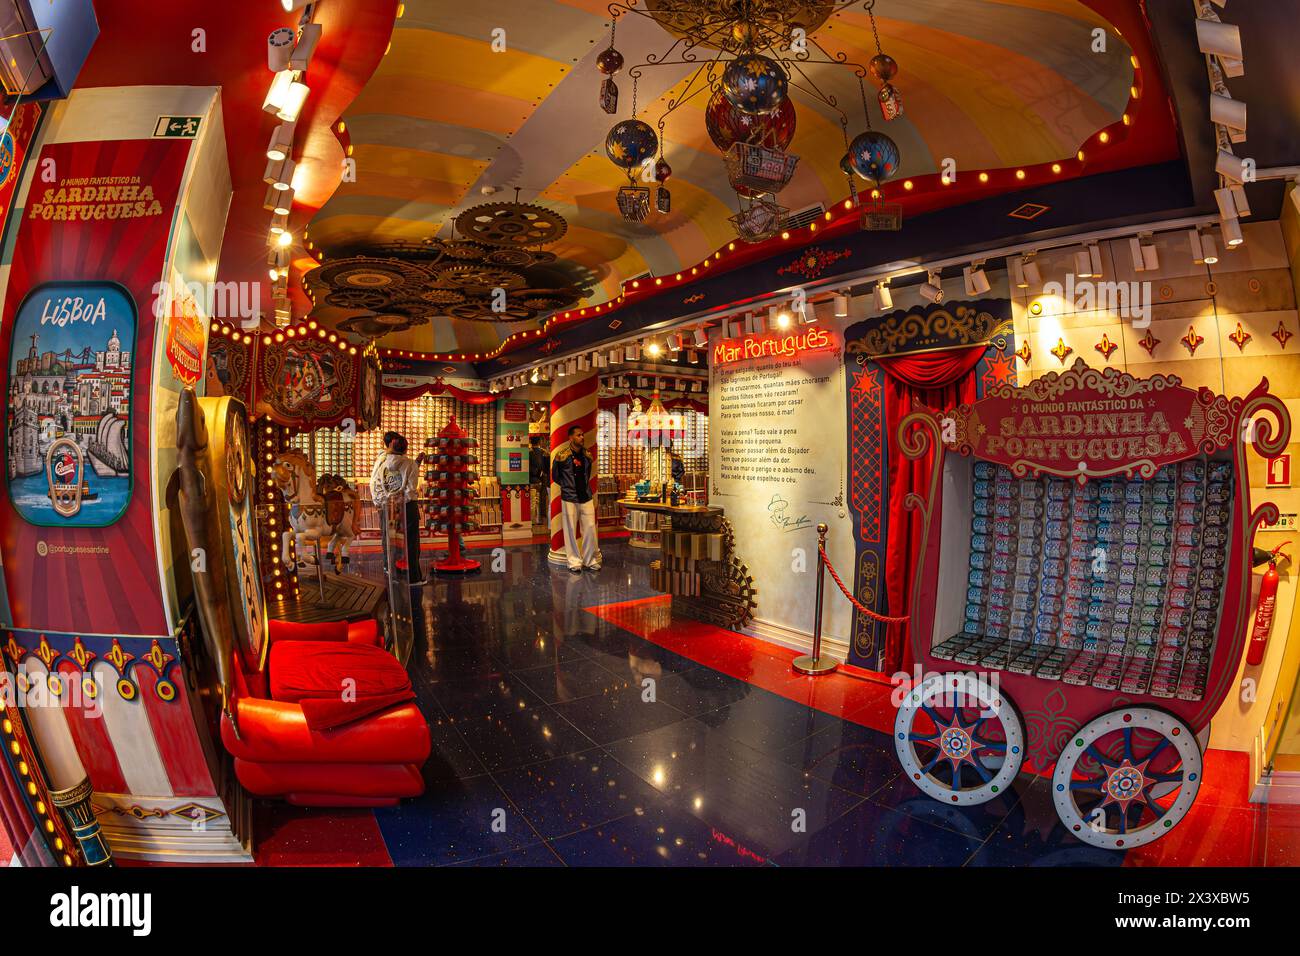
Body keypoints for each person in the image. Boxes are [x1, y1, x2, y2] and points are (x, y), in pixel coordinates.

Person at [370, 433, 423, 584]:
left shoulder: (382, 464)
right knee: (411, 542)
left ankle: (391, 573)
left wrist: (383, 503)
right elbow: (410, 488)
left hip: (388, 505)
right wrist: (402, 501)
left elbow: (377, 484)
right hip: (408, 506)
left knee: (389, 540)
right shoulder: (410, 463)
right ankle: (414, 578)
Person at [551, 424, 601, 573]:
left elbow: (588, 473)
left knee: (590, 528)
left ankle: (590, 560)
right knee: (570, 529)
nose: (582, 437)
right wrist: (567, 486)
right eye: (578, 435)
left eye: (582, 434)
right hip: (569, 497)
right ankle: (574, 562)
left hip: (586, 496)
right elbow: (556, 476)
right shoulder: (561, 455)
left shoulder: (587, 455)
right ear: (571, 437)